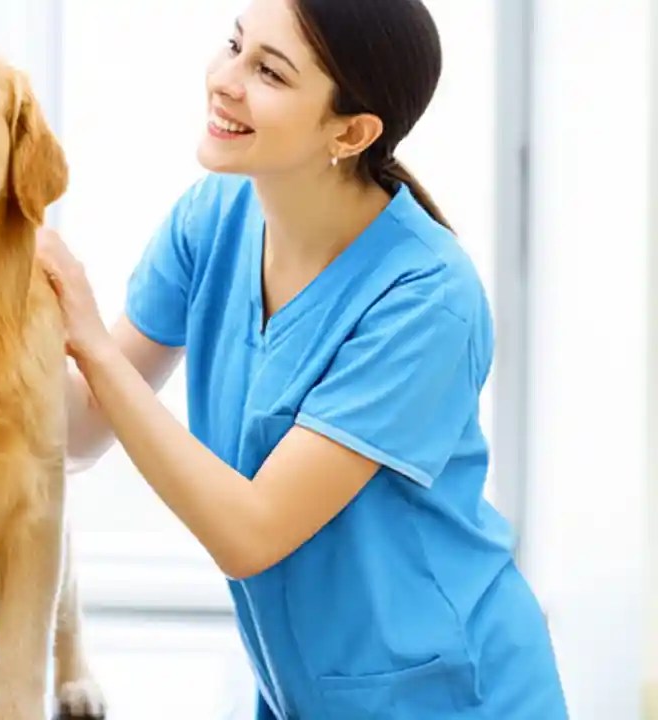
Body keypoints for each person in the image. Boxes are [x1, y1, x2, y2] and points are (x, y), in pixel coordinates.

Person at [35, 0, 568, 717]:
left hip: (450, 696)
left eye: (269, 72)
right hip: (304, 692)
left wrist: (90, 340)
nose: (225, 80)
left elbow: (250, 533)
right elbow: (82, 428)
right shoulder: (213, 217)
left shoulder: (425, 299)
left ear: (350, 132)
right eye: (234, 45)